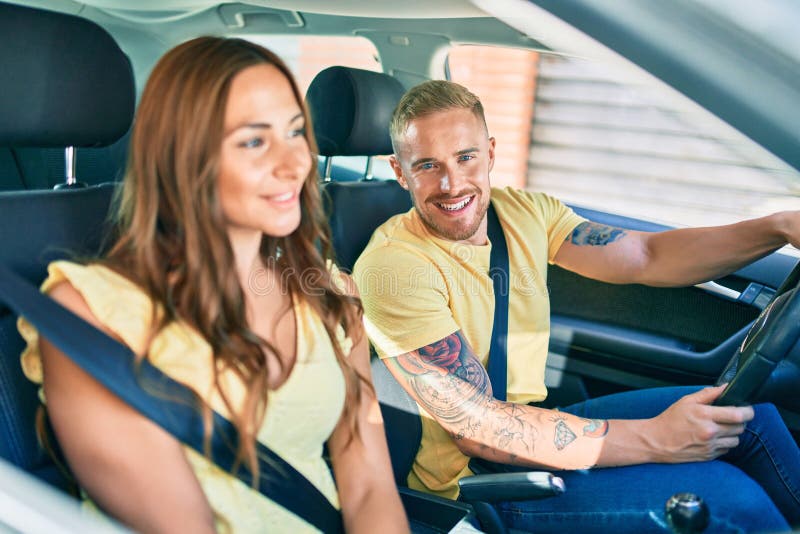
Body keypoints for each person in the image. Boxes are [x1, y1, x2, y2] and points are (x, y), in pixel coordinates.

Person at [353, 79, 800, 533]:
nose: (451, 184)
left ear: (489, 153)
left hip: (540, 427)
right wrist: (660, 439)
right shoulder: (394, 266)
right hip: (477, 486)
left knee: (752, 420)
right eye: (427, 165)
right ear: (399, 170)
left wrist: (777, 228)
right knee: (729, 499)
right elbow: (477, 427)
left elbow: (647, 256)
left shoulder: (523, 212)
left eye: (465, 157)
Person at [17, 37, 408, 533]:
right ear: (184, 156)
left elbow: (370, 484)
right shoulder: (90, 313)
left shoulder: (329, 292)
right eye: (253, 141)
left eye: (294, 132)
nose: (294, 164)